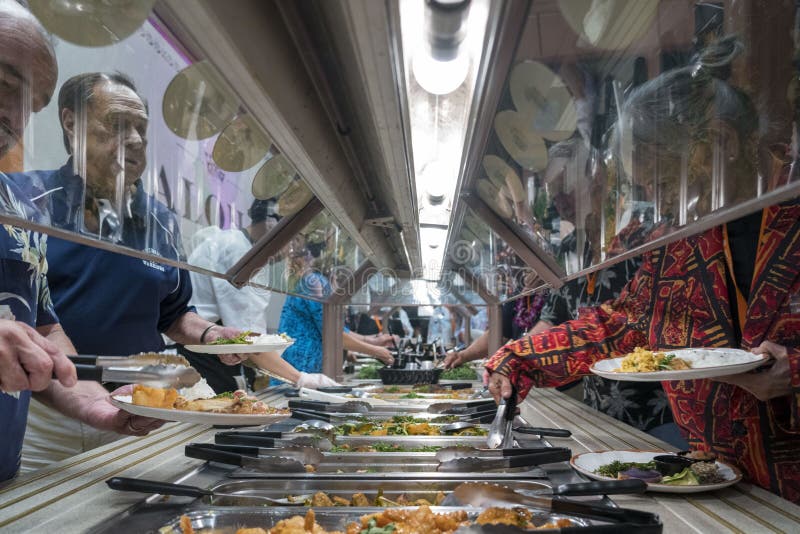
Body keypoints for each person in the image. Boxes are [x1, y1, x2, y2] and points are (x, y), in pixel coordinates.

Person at [485, 38, 800, 503]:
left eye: (664, 181)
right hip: (722, 481)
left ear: (721, 143)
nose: (658, 202)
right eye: (645, 187)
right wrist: (521, 358)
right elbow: (624, 324)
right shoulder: (681, 238)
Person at [12, 72, 248, 471]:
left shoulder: (161, 221)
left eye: (141, 129)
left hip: (141, 403)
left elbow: (173, 314)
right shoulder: (24, 202)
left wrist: (211, 335)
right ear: (71, 123)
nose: (136, 140)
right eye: (119, 124)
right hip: (46, 414)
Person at [0, 2, 159, 483]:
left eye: (31, 104)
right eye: (4, 83)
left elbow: (46, 331)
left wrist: (94, 404)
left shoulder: (18, 207)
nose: (15, 116)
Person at [183, 198, 340, 391]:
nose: (291, 251)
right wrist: (300, 378)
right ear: (271, 225)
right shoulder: (239, 253)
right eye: (293, 240)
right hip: (204, 356)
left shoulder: (237, 245)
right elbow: (250, 338)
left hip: (212, 349)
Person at [277, 235, 394, 379]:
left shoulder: (316, 281)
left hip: (305, 371)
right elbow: (332, 334)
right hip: (299, 369)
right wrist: (375, 350)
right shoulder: (314, 283)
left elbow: (336, 329)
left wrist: (372, 341)